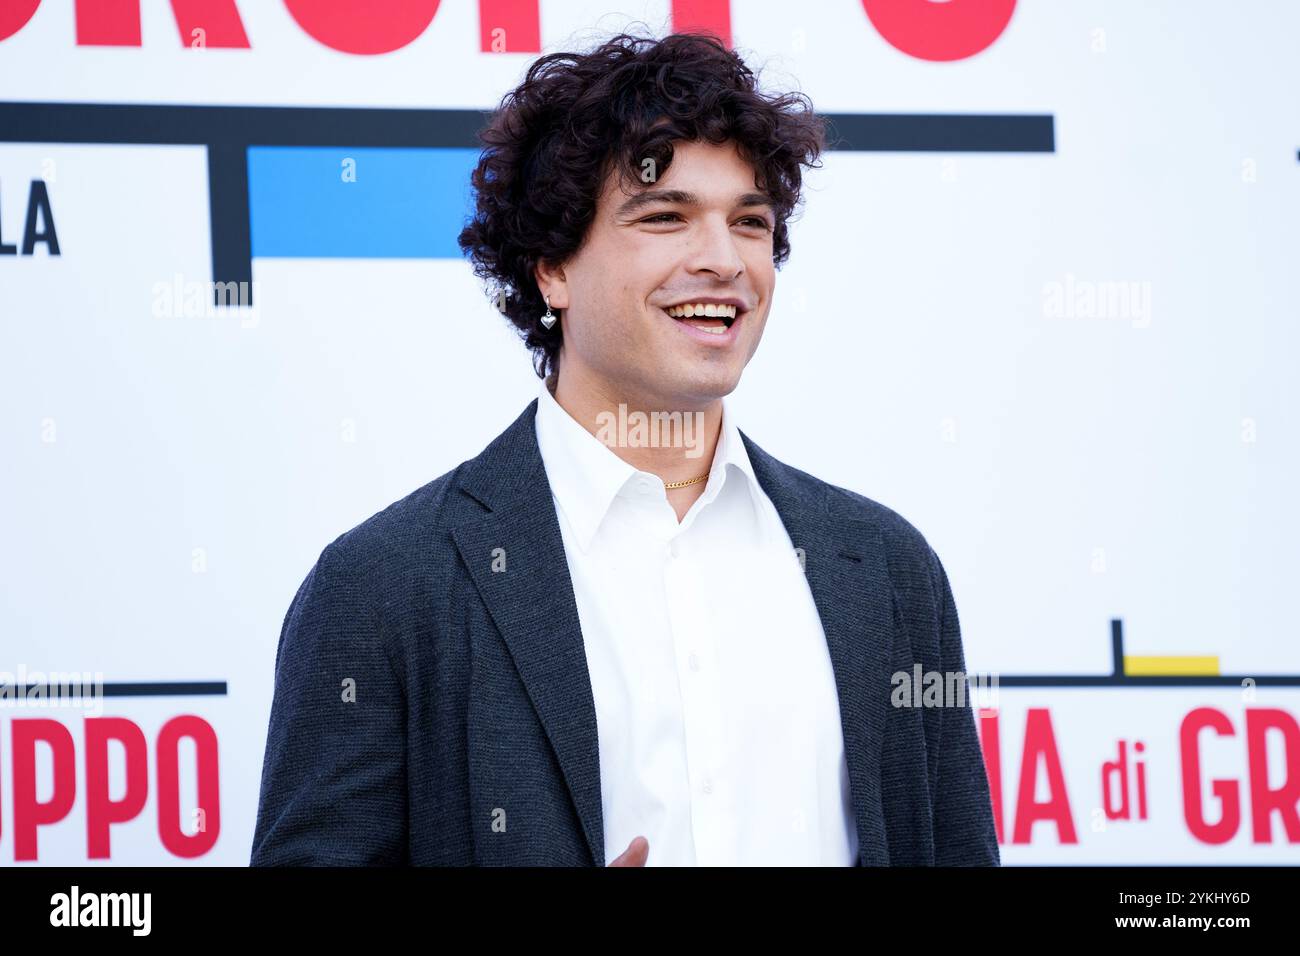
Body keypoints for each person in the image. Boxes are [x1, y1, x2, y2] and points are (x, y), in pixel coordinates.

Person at [250, 30, 999, 867]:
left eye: (750, 222)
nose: (722, 260)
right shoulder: (384, 588)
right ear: (552, 268)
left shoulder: (886, 570)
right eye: (666, 216)